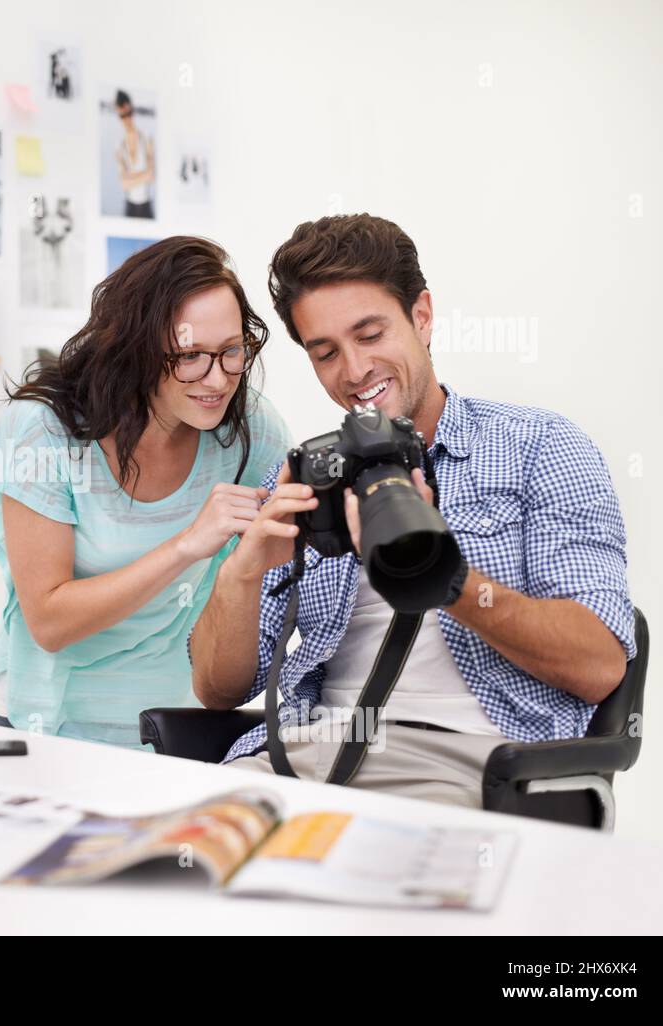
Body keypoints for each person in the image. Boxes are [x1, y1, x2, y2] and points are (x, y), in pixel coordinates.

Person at [190, 214, 636, 809]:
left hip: (471, 766)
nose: (353, 371)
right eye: (326, 353)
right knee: (170, 874)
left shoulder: (540, 448)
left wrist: (444, 578)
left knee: (350, 882)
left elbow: (600, 664)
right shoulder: (305, 478)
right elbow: (218, 690)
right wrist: (243, 571)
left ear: (421, 317)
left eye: (370, 335)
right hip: (296, 760)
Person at [0, 237, 293, 747]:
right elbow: (48, 621)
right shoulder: (43, 431)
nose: (219, 379)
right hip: (49, 719)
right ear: (137, 350)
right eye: (190, 357)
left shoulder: (250, 428)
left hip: (173, 723)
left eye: (233, 351)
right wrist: (188, 544)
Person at [114, 90, 154, 218]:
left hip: (146, 205)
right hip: (129, 206)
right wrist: (144, 175)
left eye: (129, 114)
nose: (127, 119)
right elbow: (124, 185)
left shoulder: (146, 138)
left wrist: (131, 176)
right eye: (123, 116)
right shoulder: (119, 145)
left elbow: (152, 176)